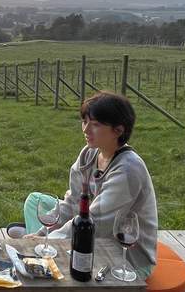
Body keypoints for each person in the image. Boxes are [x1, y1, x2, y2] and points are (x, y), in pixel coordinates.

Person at [27, 91, 159, 276]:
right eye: (84, 121)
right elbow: (73, 202)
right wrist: (41, 235)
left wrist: (47, 242)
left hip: (126, 257)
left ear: (118, 130)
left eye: (95, 124)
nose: (86, 130)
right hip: (93, 232)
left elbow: (94, 221)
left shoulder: (129, 169)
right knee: (35, 201)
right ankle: (46, 248)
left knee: (56, 240)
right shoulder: (89, 154)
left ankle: (49, 254)